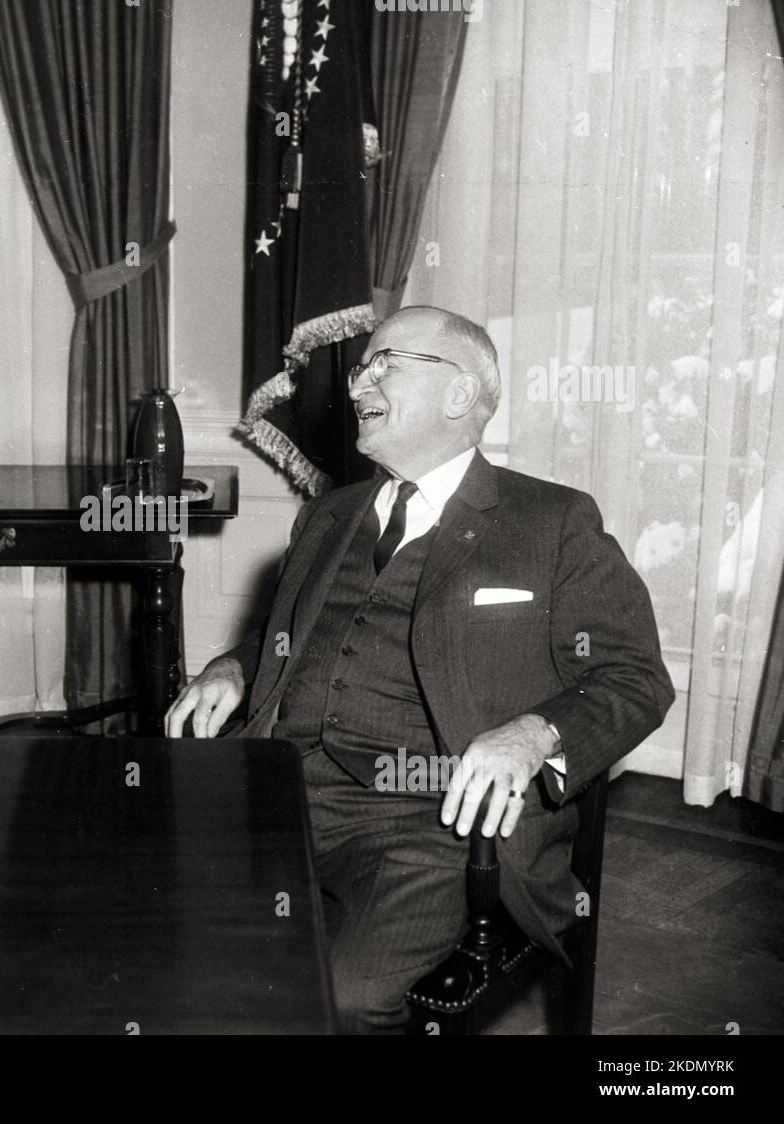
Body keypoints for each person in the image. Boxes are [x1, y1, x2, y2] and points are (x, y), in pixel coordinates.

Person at [166, 306, 673, 1033]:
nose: (356, 384)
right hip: (278, 792)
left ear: (460, 394)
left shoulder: (551, 522)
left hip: (432, 822)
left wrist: (533, 735)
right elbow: (288, 638)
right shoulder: (328, 516)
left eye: (384, 365)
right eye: (360, 368)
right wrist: (234, 669)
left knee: (343, 997)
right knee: (153, 934)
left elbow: (634, 676)